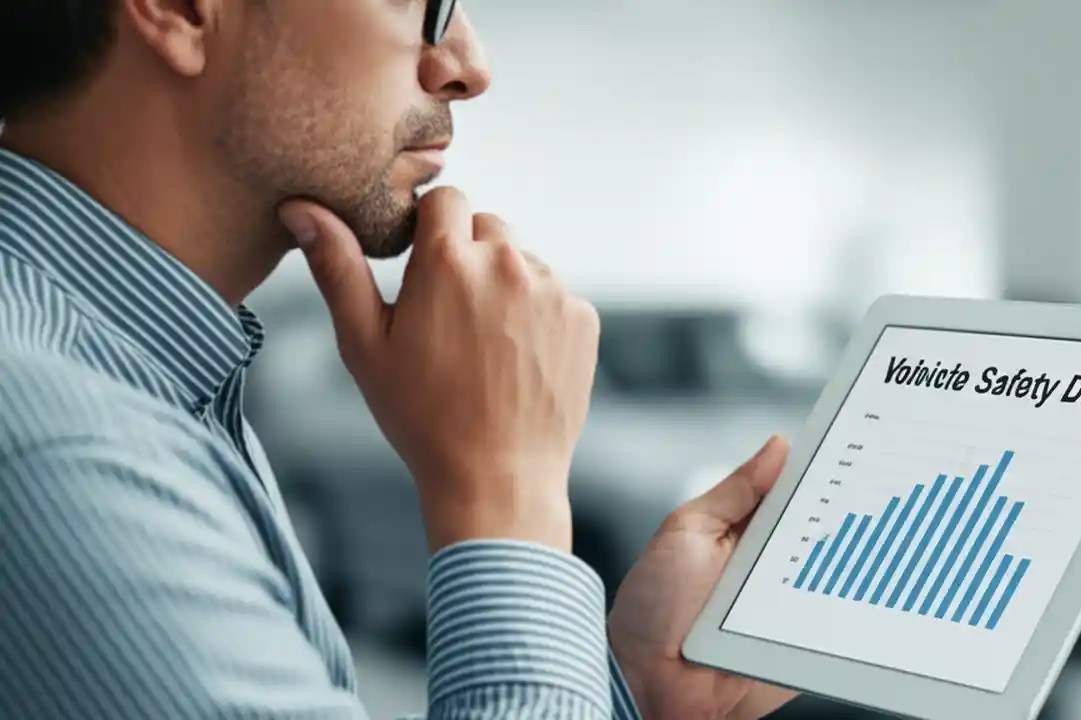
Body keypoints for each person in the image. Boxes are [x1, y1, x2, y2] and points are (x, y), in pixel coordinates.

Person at [0, 1, 797, 718]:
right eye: (422, 1)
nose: (467, 66)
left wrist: (633, 688)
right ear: (177, 9)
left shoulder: (141, 380)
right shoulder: (59, 445)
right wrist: (505, 491)